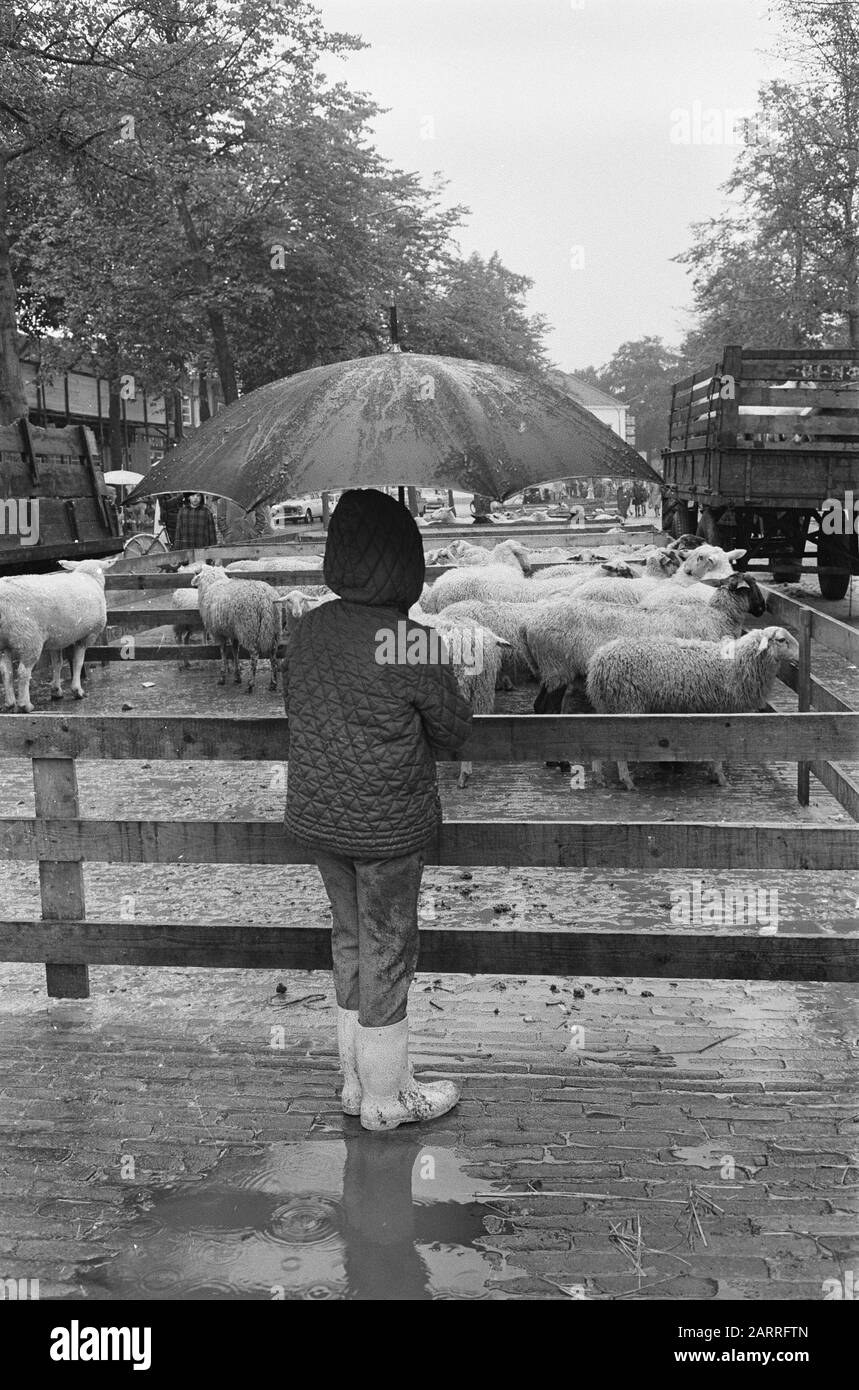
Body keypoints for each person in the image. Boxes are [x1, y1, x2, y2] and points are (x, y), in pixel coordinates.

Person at [283, 487, 473, 1132]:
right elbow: (453, 733)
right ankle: (389, 1100)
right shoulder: (407, 641)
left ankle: (354, 1081)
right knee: (389, 944)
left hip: (319, 818)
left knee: (349, 939)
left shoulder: (309, 629)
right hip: (389, 824)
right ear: (407, 562)